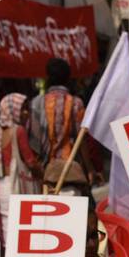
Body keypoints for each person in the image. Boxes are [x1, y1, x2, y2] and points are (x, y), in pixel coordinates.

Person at [0, 92, 41, 246]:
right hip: (18, 185)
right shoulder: (18, 130)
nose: (26, 113)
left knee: (8, 226)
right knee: (25, 226)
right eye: (22, 109)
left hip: (1, 187)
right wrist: (43, 176)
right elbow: (30, 161)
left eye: (27, 108)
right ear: (11, 110)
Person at [29, 57, 88, 193]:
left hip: (45, 173)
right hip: (70, 170)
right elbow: (82, 140)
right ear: (68, 78)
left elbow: (33, 142)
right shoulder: (76, 103)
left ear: (48, 78)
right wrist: (89, 169)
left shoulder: (36, 103)